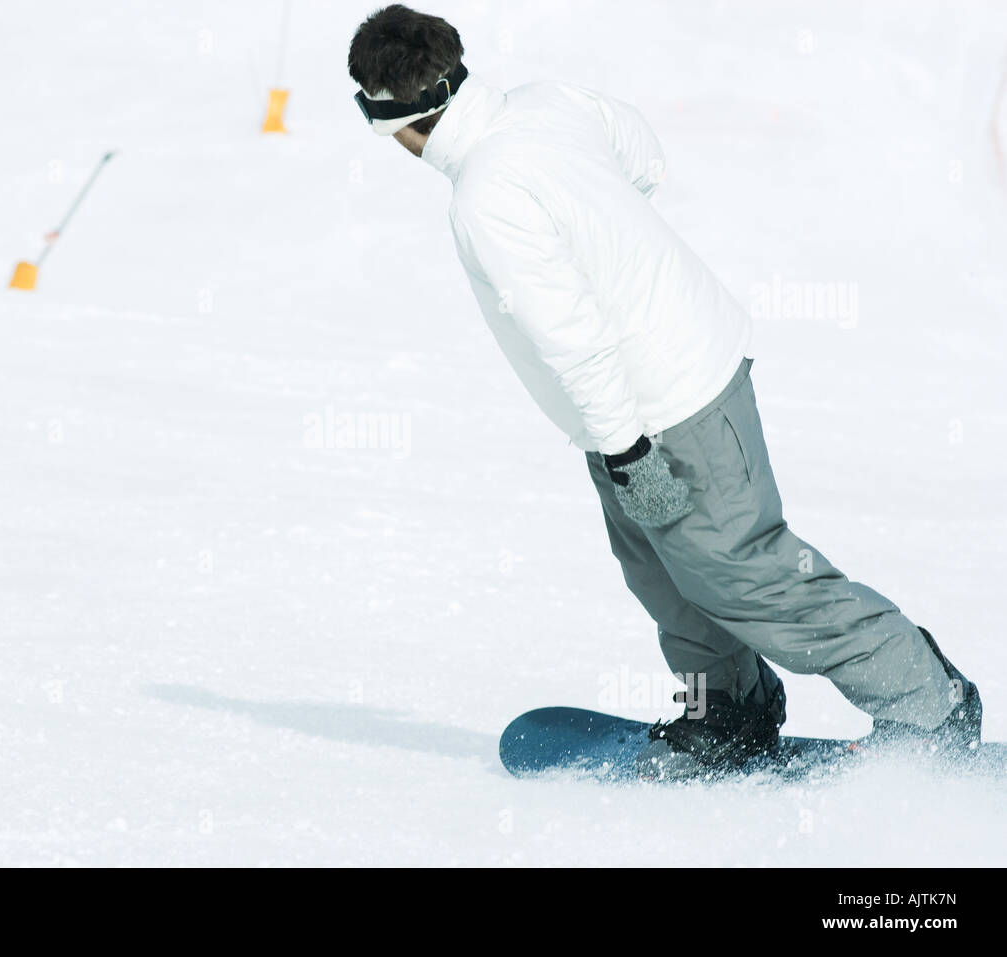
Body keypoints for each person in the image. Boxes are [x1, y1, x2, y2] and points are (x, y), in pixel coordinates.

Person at [348, 4, 981, 776]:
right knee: (664, 571)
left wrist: (628, 448)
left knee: (745, 572)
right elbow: (641, 152)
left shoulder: (484, 196)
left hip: (667, 405)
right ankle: (730, 708)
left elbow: (572, 337)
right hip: (626, 412)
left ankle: (928, 703)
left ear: (387, 117)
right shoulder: (546, 105)